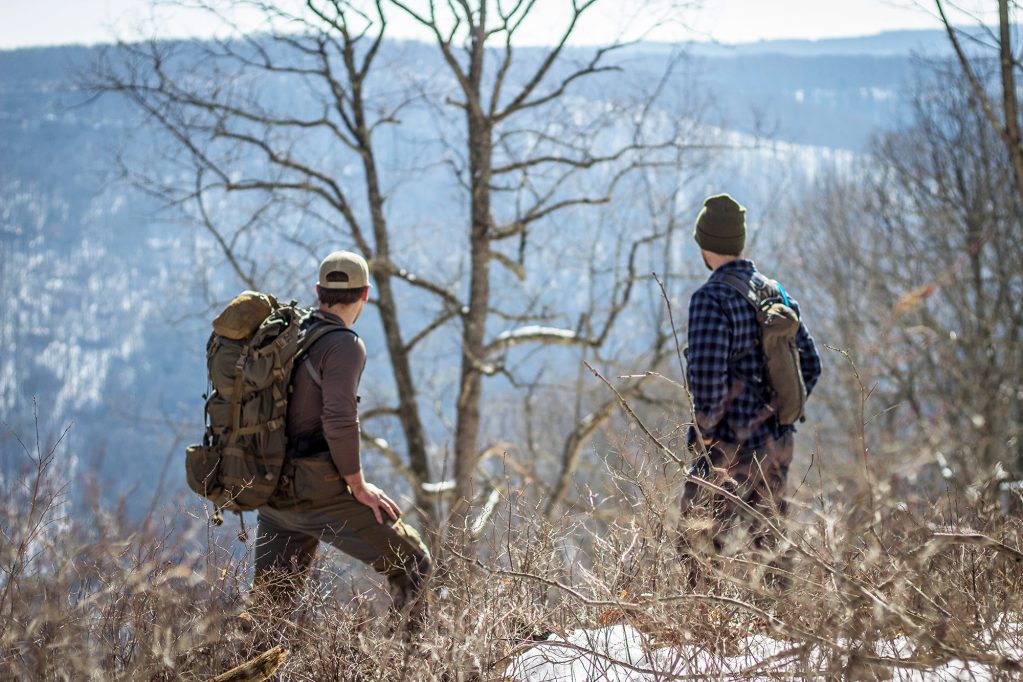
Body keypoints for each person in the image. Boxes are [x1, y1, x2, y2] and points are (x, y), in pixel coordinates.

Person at [253, 250, 431, 614]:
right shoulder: (344, 345)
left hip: (272, 492)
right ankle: (412, 666)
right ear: (365, 294)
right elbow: (338, 419)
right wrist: (358, 486)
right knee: (415, 564)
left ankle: (237, 668)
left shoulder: (289, 334)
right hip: (318, 493)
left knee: (269, 608)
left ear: (318, 290)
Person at [680, 194, 821, 559]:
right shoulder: (776, 293)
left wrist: (708, 437)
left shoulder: (711, 299)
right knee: (770, 553)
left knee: (698, 550)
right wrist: (773, 415)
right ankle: (780, 617)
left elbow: (708, 381)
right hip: (777, 445)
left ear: (704, 245)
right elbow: (811, 367)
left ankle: (700, 617)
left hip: (730, 450)